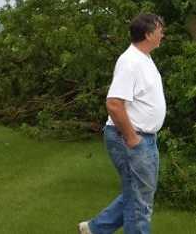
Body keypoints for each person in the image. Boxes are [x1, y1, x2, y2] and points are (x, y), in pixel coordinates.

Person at [79, 13, 166, 234]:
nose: (162, 33)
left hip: (144, 138)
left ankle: (95, 229)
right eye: (159, 30)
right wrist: (131, 137)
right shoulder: (130, 62)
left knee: (139, 194)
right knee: (139, 203)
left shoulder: (144, 57)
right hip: (131, 138)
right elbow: (115, 104)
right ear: (148, 34)